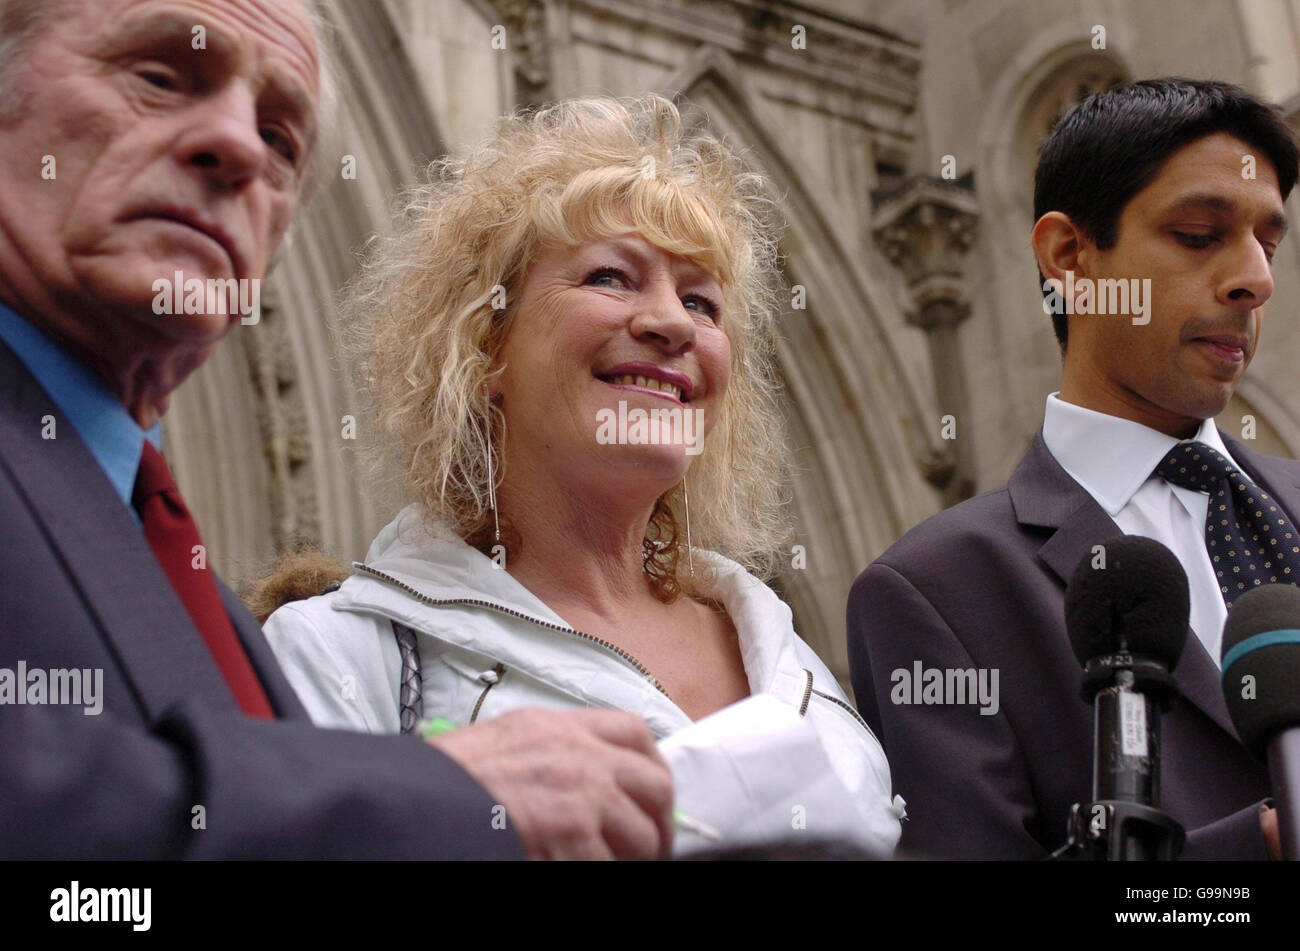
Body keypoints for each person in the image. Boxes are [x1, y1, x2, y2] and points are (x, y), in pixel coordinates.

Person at [0, 0, 676, 861]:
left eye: (282, 139)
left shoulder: (176, 563)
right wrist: (441, 797)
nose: (241, 148)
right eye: (159, 77)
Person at [261, 94, 904, 857]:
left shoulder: (788, 655)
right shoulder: (339, 655)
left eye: (701, 299)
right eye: (611, 277)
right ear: (485, 347)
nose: (671, 322)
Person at [848, 78, 1298, 860]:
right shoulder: (938, 593)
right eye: (1199, 233)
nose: (1254, 278)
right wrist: (1259, 847)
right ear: (1070, 256)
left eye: (1269, 242)